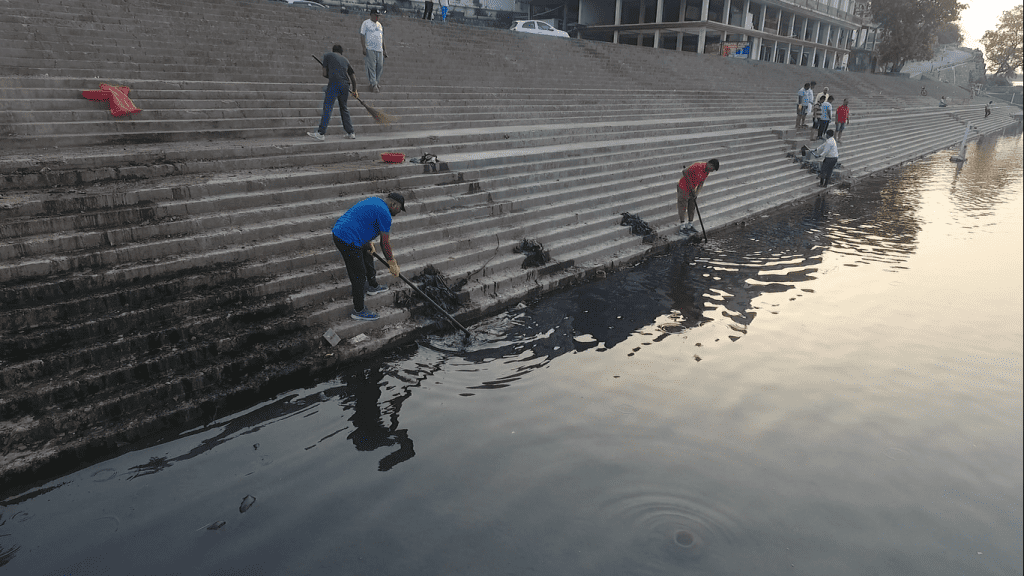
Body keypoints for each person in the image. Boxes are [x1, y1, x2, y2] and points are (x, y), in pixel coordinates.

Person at [332, 192, 406, 321]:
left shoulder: (375, 201)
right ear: (393, 204)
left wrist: (367, 243)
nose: (399, 211)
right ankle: (359, 310)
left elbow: (362, 220)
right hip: (347, 239)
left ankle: (373, 285)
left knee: (367, 253)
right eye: (400, 208)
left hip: (343, 231)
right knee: (359, 275)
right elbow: (385, 242)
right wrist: (392, 262)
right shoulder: (385, 214)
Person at [308, 44, 358, 142]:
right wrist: (354, 90)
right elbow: (352, 76)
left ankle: (321, 133)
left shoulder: (328, 56)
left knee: (328, 106)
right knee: (344, 108)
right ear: (341, 52)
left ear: (333, 50)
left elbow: (324, 73)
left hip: (334, 83)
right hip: (345, 85)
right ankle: (351, 132)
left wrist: (332, 74)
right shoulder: (345, 60)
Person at [676, 159, 720, 234]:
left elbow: (701, 183)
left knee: (692, 206)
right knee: (683, 205)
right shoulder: (698, 165)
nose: (712, 171)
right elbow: (684, 172)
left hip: (692, 189)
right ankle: (682, 227)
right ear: (711, 165)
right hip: (683, 187)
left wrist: (696, 193)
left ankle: (690, 225)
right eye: (712, 169)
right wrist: (690, 185)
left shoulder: (706, 172)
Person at [360, 9, 388, 93]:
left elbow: (382, 38)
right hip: (370, 48)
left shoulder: (380, 25)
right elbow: (362, 35)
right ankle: (374, 84)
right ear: (371, 15)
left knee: (380, 66)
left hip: (379, 49)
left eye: (378, 15)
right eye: (376, 15)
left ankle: (375, 81)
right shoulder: (366, 23)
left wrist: (384, 49)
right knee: (371, 66)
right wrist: (364, 47)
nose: (377, 17)